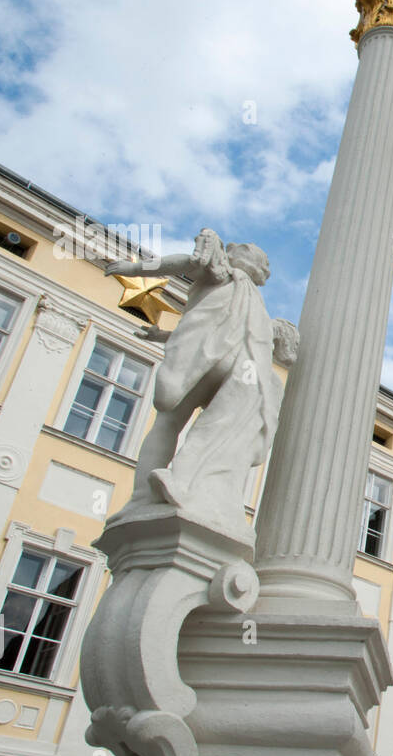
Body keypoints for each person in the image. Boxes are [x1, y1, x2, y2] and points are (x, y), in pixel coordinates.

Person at [104, 229, 284, 535]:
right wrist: (164, 334)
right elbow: (222, 330)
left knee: (168, 422)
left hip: (205, 360)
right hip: (238, 368)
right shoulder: (252, 302)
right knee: (215, 428)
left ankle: (147, 495)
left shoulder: (224, 276)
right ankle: (187, 482)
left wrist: (134, 268)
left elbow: (184, 264)